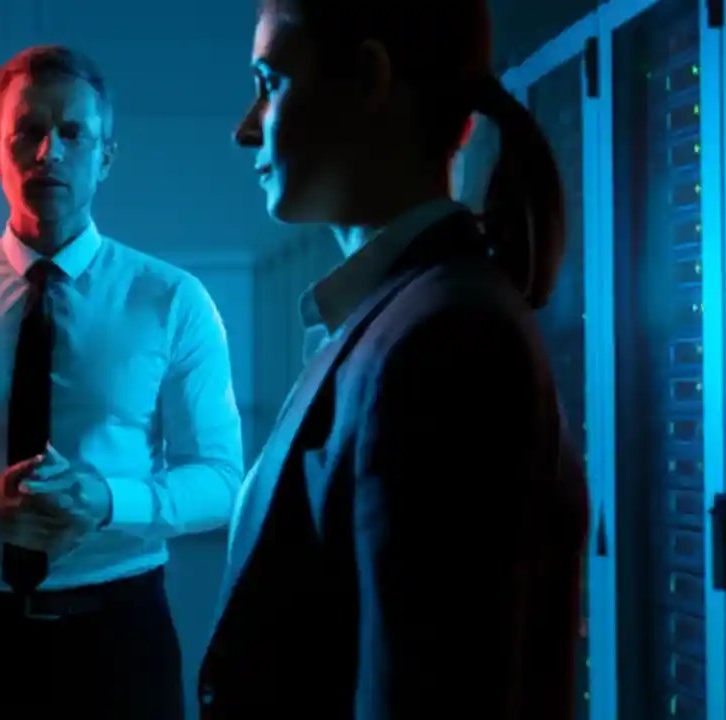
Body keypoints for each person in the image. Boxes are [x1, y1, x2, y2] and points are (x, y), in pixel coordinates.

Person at [200, 1, 590, 718]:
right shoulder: (404, 319)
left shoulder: (444, 340)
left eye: (270, 83)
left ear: (371, 79)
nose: (246, 127)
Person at [0, 44, 244, 720]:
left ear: (106, 155)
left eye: (72, 134)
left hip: (121, 635)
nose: (49, 152)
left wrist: (108, 501)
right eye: (28, 131)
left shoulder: (173, 301)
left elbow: (222, 479)